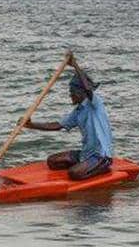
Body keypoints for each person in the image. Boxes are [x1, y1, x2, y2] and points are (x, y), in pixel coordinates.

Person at [22, 51, 114, 180]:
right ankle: (85, 165)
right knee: (52, 161)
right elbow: (57, 125)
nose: (70, 95)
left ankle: (102, 168)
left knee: (74, 173)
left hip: (100, 155)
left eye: (72, 92)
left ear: (81, 92)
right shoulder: (78, 112)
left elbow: (88, 89)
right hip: (86, 154)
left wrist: (75, 65)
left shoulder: (95, 103)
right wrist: (30, 125)